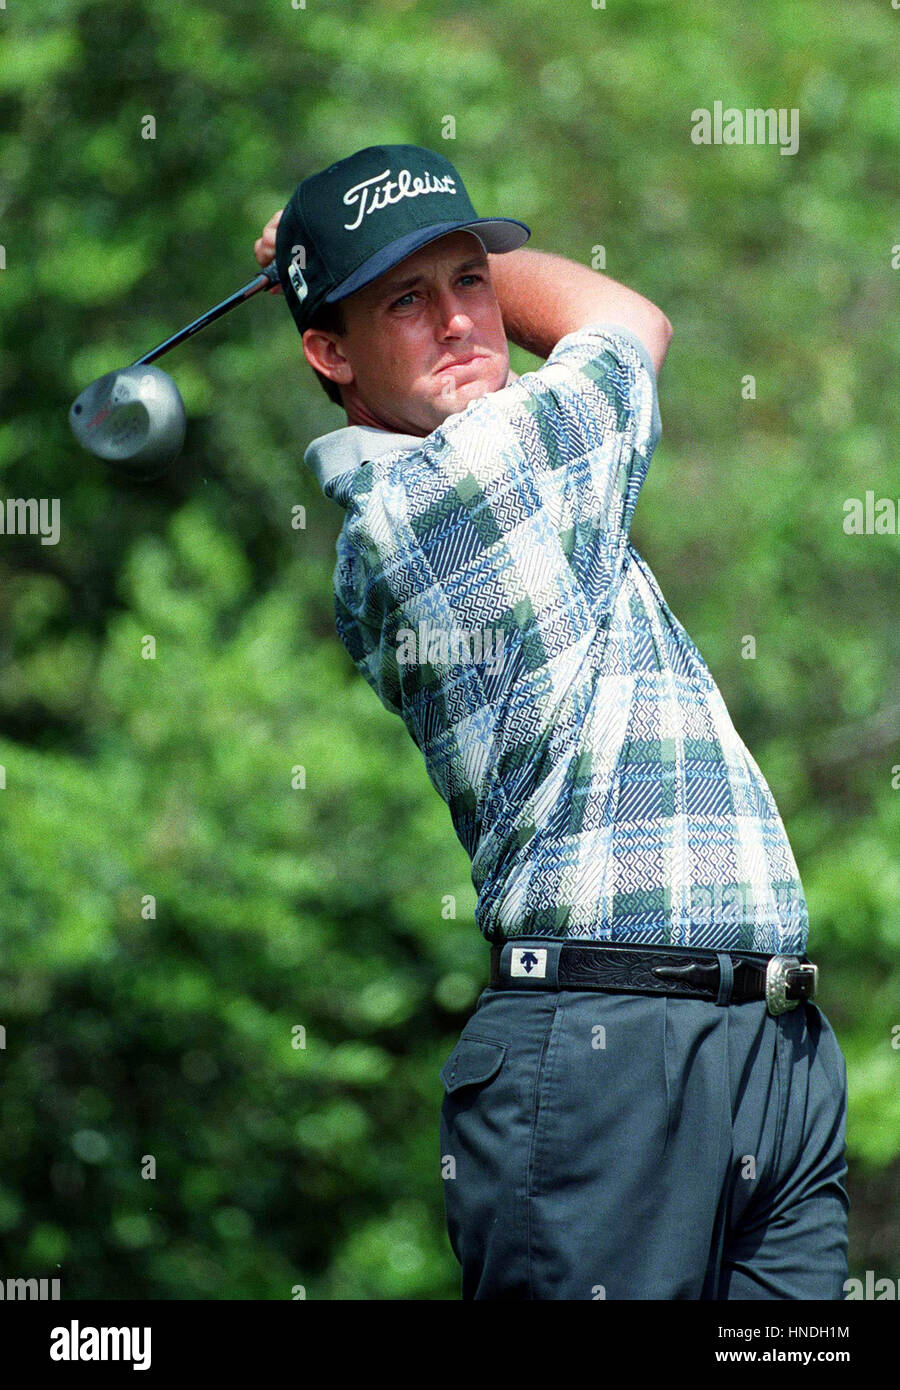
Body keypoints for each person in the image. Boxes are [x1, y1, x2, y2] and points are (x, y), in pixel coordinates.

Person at [253, 144, 849, 1300]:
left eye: (472, 280)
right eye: (404, 301)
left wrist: (344, 252)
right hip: (608, 1055)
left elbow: (574, 330)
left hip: (766, 1046)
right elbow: (626, 317)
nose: (461, 322)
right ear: (327, 351)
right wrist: (352, 248)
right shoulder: (446, 494)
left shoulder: (515, 462)